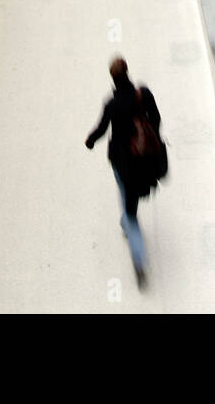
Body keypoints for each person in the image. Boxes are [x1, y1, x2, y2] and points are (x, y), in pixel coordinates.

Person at [84, 56, 162, 288]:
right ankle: (125, 221)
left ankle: (138, 258)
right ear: (127, 71)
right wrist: (149, 140)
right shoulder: (143, 94)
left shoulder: (112, 104)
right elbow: (156, 119)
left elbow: (101, 129)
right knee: (132, 200)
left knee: (130, 211)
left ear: (113, 78)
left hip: (123, 163)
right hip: (145, 161)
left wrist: (89, 141)